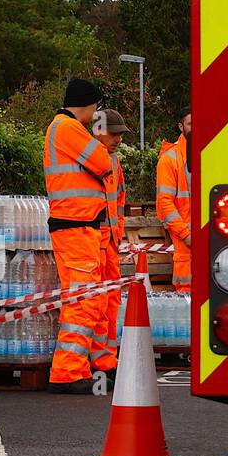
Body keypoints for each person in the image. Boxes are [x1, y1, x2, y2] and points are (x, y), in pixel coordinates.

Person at [45, 79, 114, 394]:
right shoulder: (68, 128)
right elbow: (103, 162)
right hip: (74, 226)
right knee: (82, 301)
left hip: (80, 226)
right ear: (89, 104)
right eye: (96, 107)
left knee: (88, 299)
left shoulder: (63, 128)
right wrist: (98, 140)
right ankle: (68, 372)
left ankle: (80, 367)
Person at [91, 109, 131, 377]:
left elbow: (119, 200)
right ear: (98, 131)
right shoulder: (91, 159)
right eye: (112, 133)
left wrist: (118, 234)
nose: (117, 138)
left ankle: (106, 360)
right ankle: (100, 362)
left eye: (120, 134)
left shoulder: (113, 162)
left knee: (111, 302)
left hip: (110, 242)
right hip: (94, 241)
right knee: (97, 304)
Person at [155, 113, 192, 292]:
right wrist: (186, 235)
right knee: (187, 291)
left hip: (209, 237)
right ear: (180, 126)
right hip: (186, 242)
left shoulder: (212, 152)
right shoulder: (170, 159)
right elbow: (164, 204)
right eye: (190, 123)